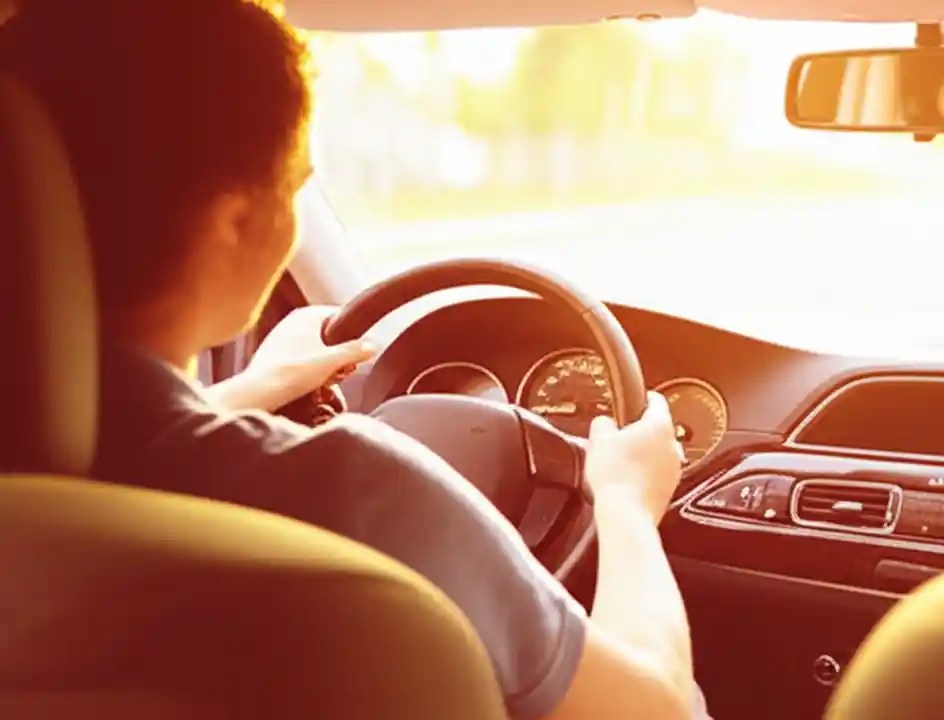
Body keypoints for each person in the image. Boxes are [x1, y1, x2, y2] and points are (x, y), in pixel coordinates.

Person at [3, 1, 703, 718]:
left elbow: (106, 456)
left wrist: (253, 388)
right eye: (296, 183)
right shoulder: (358, 500)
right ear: (238, 224)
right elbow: (653, 710)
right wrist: (625, 503)